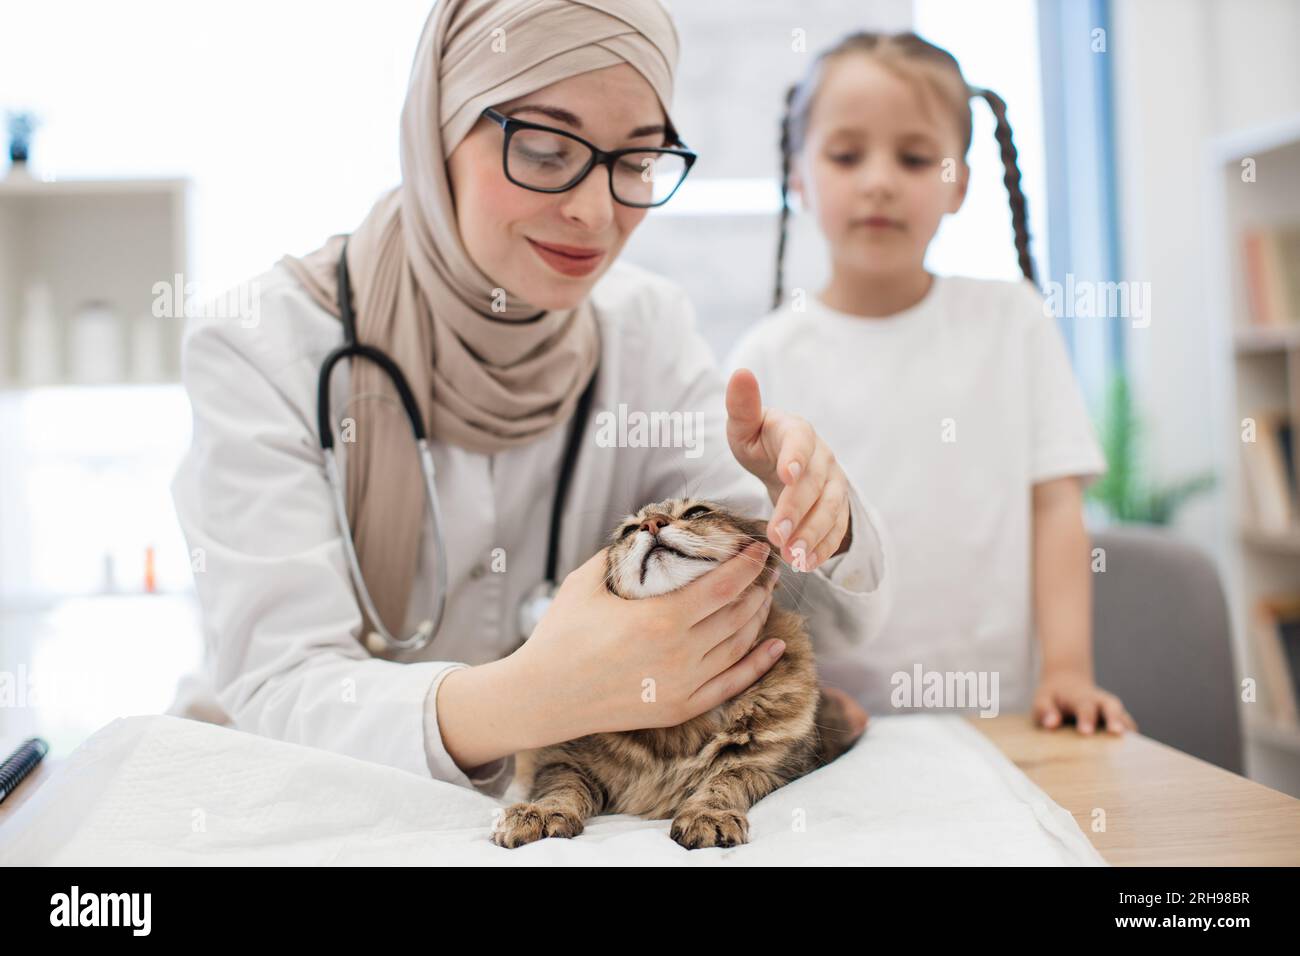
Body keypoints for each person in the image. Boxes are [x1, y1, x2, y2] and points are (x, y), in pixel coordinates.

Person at [167, 0, 892, 799]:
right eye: (546, 152)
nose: (595, 212)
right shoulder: (263, 344)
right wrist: (533, 696)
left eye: (637, 162)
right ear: (436, 128)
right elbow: (277, 691)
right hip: (281, 809)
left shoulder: (644, 329)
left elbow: (793, 625)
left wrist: (802, 506)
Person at [726, 32, 1136, 734]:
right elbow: (759, 559)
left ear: (959, 182)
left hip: (1001, 722)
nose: (879, 180)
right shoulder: (767, 353)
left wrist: (1068, 671)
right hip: (830, 733)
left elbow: (1054, 506)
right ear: (799, 176)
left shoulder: (1013, 323)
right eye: (846, 154)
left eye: (915, 158)